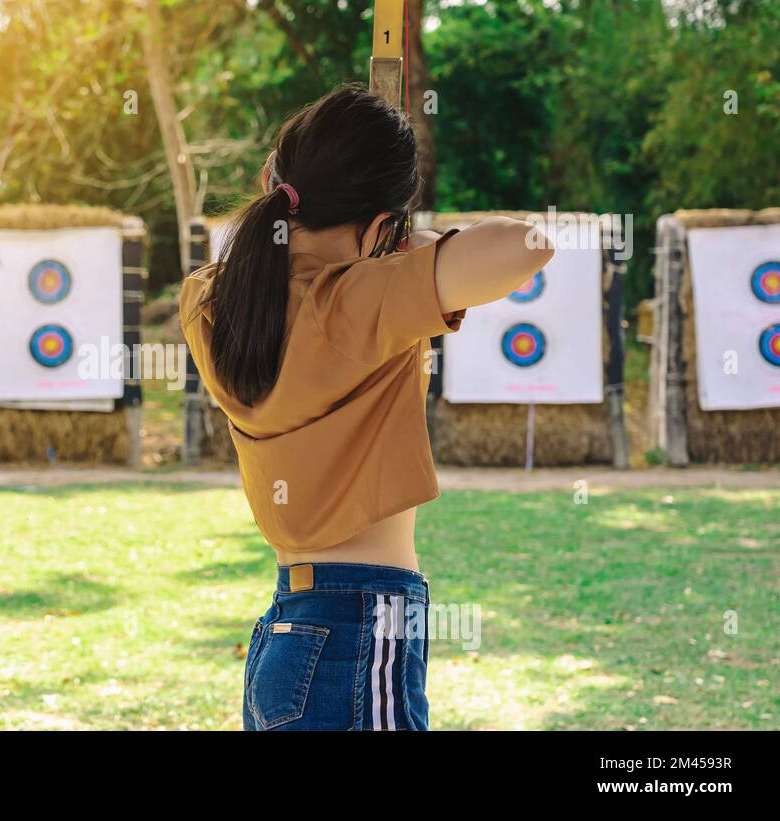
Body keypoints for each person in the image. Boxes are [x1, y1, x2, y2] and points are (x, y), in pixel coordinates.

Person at [179, 84, 554, 730]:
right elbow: (529, 245)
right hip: (361, 626)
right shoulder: (358, 304)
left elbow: (279, 239)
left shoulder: (209, 305)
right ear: (382, 226)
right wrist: (405, 247)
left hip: (287, 631)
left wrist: (383, 238)